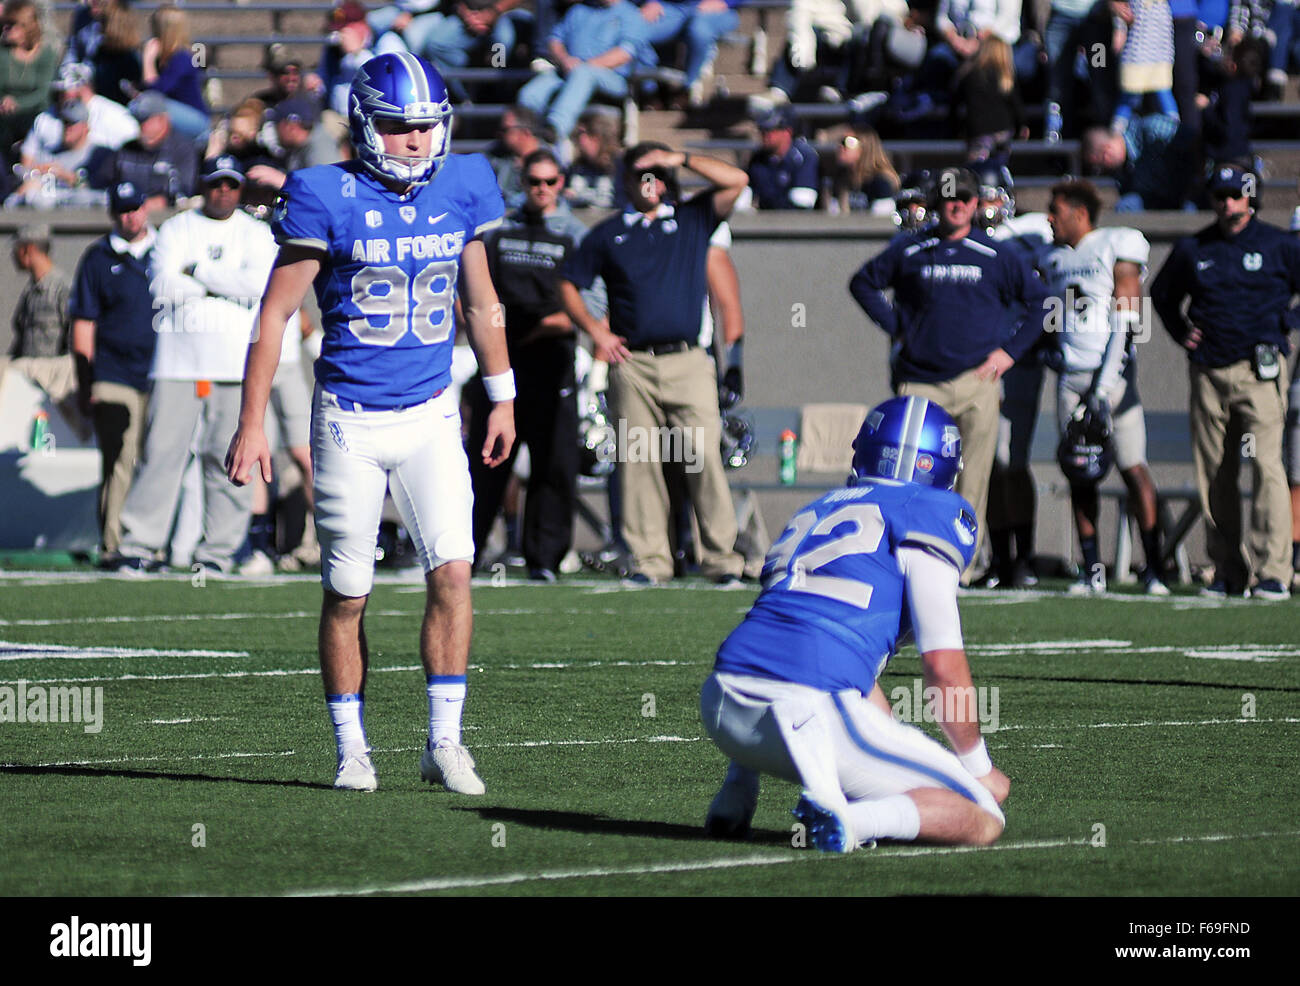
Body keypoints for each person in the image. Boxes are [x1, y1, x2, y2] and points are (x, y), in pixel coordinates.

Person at [224, 53, 515, 794]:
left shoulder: (464, 186)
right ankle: (352, 747)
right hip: (350, 419)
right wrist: (252, 421)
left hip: (430, 414)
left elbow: (481, 302)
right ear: (363, 125)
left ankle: (444, 742)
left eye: (425, 126)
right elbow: (275, 314)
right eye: (398, 127)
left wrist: (503, 392)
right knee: (348, 592)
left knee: (453, 571)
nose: (416, 141)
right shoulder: (325, 192)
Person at [700, 396, 1009, 851]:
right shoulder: (932, 511)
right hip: (806, 712)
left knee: (802, 648)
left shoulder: (820, 508)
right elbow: (942, 664)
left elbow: (811, 637)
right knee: (984, 814)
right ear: (944, 468)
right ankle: (850, 822)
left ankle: (739, 788)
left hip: (723, 701)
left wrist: (890, 736)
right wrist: (978, 766)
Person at [849, 165, 1050, 581]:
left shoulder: (997, 256)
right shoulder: (911, 249)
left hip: (977, 381)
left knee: (973, 480)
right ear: (936, 206)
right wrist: (896, 328)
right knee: (910, 478)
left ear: (976, 204)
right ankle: (906, 559)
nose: (955, 206)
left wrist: (1008, 354)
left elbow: (1041, 304)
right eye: (947, 200)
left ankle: (962, 566)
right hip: (920, 379)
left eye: (963, 199)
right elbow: (863, 283)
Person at [559, 141, 746, 586]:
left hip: (688, 360)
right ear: (625, 181)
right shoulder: (608, 233)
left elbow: (736, 180)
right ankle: (649, 562)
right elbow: (569, 283)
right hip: (633, 364)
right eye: (640, 174)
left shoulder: (692, 219)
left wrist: (677, 157)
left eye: (656, 174)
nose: (650, 182)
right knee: (638, 462)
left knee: (702, 456)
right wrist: (596, 331)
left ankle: (721, 559)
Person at [110, 155, 276, 574]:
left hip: (234, 362)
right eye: (216, 183)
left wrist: (198, 271)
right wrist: (224, 284)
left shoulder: (256, 233)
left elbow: (257, 284)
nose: (223, 191)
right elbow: (161, 284)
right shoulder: (176, 228)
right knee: (161, 456)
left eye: (231, 184)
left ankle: (219, 552)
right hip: (177, 363)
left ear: (240, 189)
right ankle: (140, 544)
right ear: (202, 185)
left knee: (229, 462)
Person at [1151, 163, 1300, 600]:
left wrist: (1286, 323)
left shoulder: (1278, 245)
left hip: (1259, 371)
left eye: (1234, 194)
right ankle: (1227, 569)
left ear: (1250, 196)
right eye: (1219, 195)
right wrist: (1182, 333)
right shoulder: (1194, 248)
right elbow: (1161, 296)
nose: (1226, 202)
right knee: (1214, 471)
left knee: (1268, 466)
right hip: (1209, 371)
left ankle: (1273, 570)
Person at [1043, 178, 1169, 594]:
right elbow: (1053, 318)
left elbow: (1129, 319)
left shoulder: (1118, 243)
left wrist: (1104, 384)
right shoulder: (1055, 257)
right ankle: (1093, 569)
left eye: (1056, 211)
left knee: (1133, 467)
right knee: (1080, 471)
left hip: (1110, 377)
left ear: (1079, 213)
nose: (1049, 218)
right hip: (1071, 377)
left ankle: (1153, 568)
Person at [472, 149, 592, 581]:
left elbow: (590, 307)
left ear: (563, 183)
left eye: (550, 182)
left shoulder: (577, 236)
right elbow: (476, 291)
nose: (541, 190)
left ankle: (545, 559)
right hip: (503, 362)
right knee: (486, 461)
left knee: (553, 463)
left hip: (551, 358)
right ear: (522, 182)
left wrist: (537, 327)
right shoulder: (500, 232)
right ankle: (464, 552)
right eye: (533, 182)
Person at [68, 181, 157, 559]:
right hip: (113, 371)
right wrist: (86, 381)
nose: (130, 216)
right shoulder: (98, 257)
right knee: (120, 457)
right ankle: (115, 543)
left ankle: (154, 540)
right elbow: (83, 324)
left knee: (158, 456)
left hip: (163, 372)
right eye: (122, 210)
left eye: (135, 207)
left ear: (146, 207)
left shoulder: (167, 249)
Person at [519, 0, 652, 142]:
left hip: (613, 78)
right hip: (568, 70)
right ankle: (526, 136)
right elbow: (554, 40)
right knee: (529, 94)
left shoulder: (630, 14)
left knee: (583, 74)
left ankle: (554, 130)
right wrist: (565, 60)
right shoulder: (578, 10)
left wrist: (585, 65)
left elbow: (624, 54)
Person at [5, 223, 75, 417]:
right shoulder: (30, 292)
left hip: (52, 389)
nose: (13, 256)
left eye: (16, 250)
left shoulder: (62, 289)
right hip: (25, 383)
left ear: (28, 250)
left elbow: (73, 341)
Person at [0, 0, 60, 176]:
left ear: (26, 27)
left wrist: (17, 103)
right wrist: (5, 102)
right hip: (5, 115)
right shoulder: (3, 53)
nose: (5, 29)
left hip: (36, 115)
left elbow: (43, 93)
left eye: (11, 25)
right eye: (4, 25)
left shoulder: (46, 54)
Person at [747, 105, 819, 210]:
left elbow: (802, 206)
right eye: (762, 130)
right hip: (765, 221)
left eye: (770, 130)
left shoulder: (804, 157)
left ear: (787, 132)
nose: (764, 134)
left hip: (798, 222)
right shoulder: (758, 159)